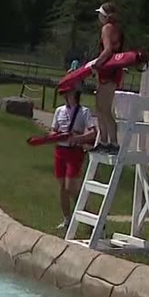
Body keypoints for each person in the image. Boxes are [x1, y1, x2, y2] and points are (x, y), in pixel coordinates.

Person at [49, 87, 97, 230]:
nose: (67, 96)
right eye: (66, 93)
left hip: (74, 151)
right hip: (60, 150)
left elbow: (93, 132)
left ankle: (90, 218)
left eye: (70, 92)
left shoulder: (84, 112)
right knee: (63, 187)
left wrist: (79, 138)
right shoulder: (59, 111)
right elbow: (53, 130)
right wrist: (56, 135)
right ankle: (67, 219)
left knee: (72, 187)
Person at [91, 2, 124, 153]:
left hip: (107, 73)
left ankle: (109, 142)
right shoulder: (117, 29)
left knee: (102, 110)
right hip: (114, 73)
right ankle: (108, 141)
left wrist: (95, 63)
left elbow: (108, 50)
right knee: (103, 109)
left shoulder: (107, 28)